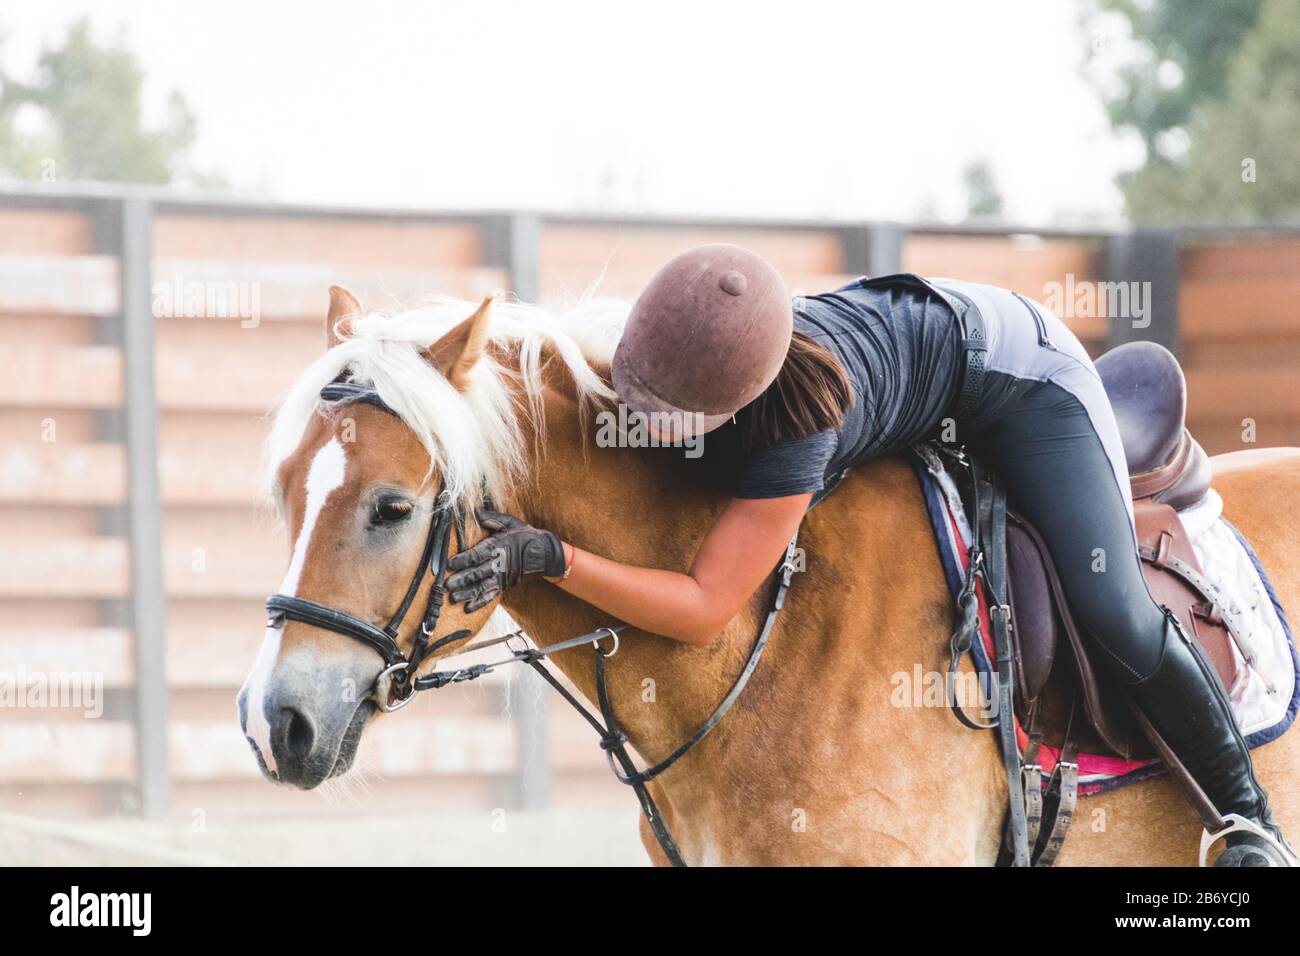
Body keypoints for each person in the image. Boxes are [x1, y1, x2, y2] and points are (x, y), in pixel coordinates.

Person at [446, 243, 1291, 867]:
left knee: (1113, 607)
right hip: (921, 344)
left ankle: (1247, 822)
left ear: (735, 403)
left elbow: (705, 609)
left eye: (670, 420)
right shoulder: (692, 347)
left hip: (1024, 379)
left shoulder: (794, 432)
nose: (647, 430)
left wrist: (555, 559)